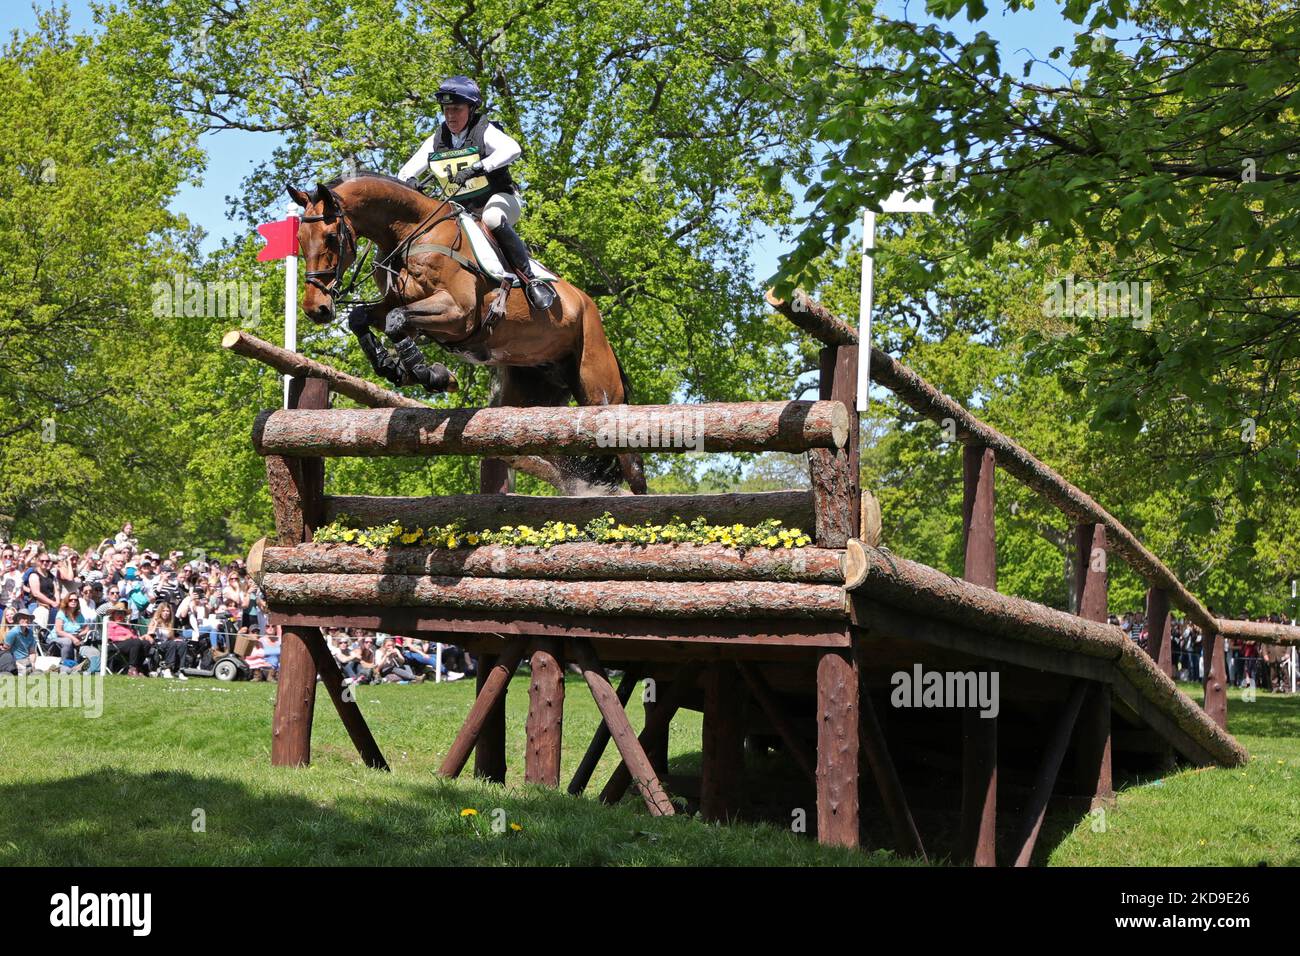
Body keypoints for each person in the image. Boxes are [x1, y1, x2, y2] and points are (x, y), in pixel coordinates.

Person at [396, 74, 555, 311]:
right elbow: (405, 171)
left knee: (491, 218)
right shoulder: (438, 138)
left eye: (456, 109)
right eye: (446, 109)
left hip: (500, 199)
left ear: (470, 109)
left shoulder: (485, 130)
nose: (450, 116)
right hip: (462, 210)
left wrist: (479, 167)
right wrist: (410, 182)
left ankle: (530, 279)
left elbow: (513, 149)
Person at [52, 593, 97, 671]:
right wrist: (73, 638)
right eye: (70, 600)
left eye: (75, 600)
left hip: (74, 638)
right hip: (56, 639)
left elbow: (87, 628)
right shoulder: (61, 613)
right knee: (67, 641)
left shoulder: (79, 615)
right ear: (66, 601)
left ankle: (79, 666)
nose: (73, 601)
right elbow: (58, 631)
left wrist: (79, 635)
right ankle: (64, 666)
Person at [106, 601, 152, 676]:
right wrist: (123, 638)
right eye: (118, 613)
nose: (120, 615)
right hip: (115, 644)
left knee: (146, 643)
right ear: (113, 614)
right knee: (135, 642)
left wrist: (143, 637)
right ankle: (132, 668)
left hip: (130, 644)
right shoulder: (111, 624)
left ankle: (138, 668)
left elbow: (134, 638)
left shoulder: (127, 626)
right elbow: (109, 637)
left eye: (122, 613)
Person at [147, 603, 188, 679]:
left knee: (182, 644)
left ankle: (179, 670)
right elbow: (149, 634)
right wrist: (156, 624)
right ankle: (167, 669)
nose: (166, 613)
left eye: (167, 611)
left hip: (168, 643)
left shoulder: (169, 623)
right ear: (160, 612)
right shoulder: (154, 621)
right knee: (171, 643)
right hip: (158, 644)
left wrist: (177, 640)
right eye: (164, 611)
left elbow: (170, 637)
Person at [3, 607, 40, 675]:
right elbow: (5, 650)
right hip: (15, 663)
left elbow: (32, 652)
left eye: (27, 618)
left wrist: (33, 664)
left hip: (27, 661)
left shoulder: (31, 632)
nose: (25, 620)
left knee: (38, 673)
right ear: (18, 619)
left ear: (29, 620)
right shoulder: (13, 632)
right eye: (22, 618)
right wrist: (15, 663)